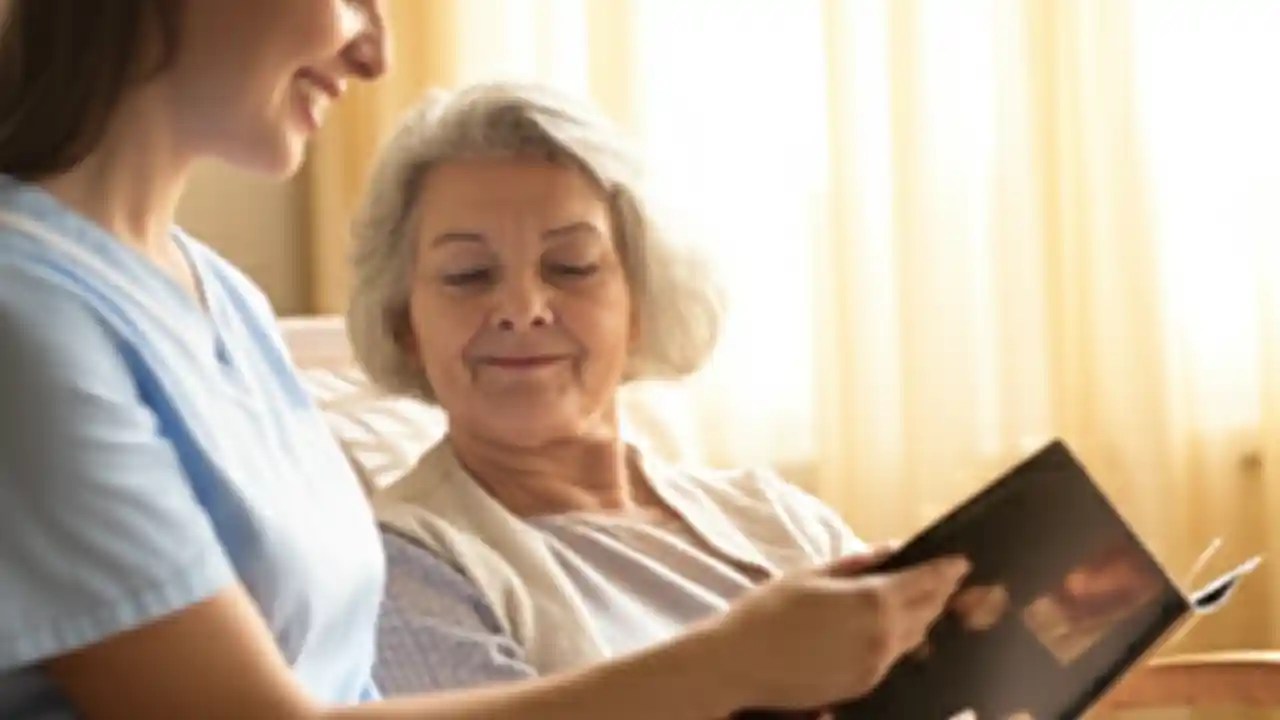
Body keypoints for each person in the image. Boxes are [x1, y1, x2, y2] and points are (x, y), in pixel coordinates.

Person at [0, 2, 970, 718]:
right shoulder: (24, 321)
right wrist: (727, 666)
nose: (372, 49)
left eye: (572, 266)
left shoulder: (214, 295)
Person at [345, 82, 879, 686]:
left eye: (571, 266)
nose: (522, 308)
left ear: (640, 305)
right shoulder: (399, 562)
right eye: (469, 275)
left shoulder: (777, 517)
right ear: (405, 325)